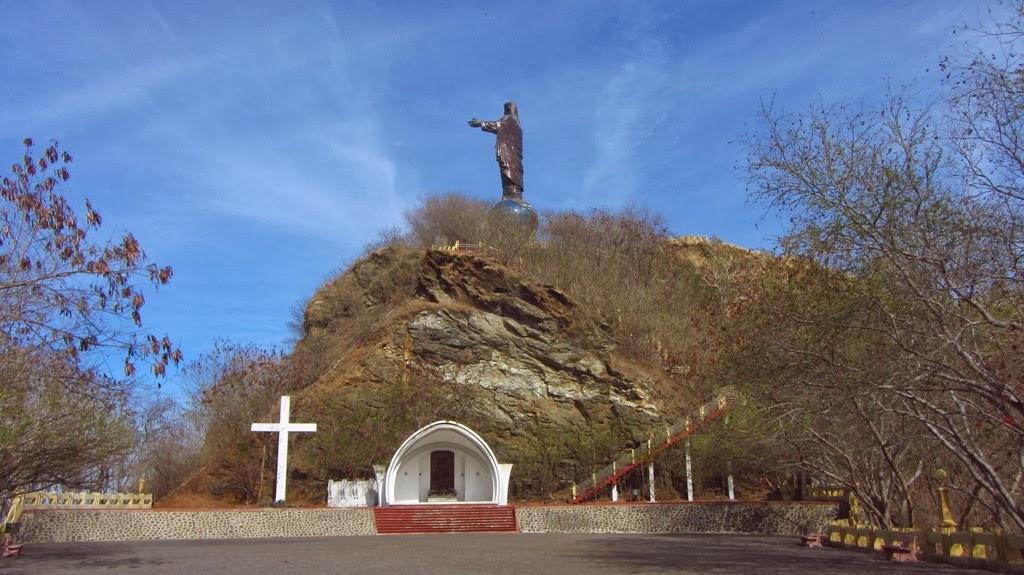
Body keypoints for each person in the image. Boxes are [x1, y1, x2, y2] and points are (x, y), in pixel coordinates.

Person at [469, 102, 523, 200]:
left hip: (508, 153)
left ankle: (511, 194)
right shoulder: (518, 126)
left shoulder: (508, 119)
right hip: (515, 155)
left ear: (508, 110)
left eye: (505, 111)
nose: (504, 113)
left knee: (507, 169)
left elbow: (496, 125)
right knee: (512, 171)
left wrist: (480, 123)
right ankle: (514, 193)